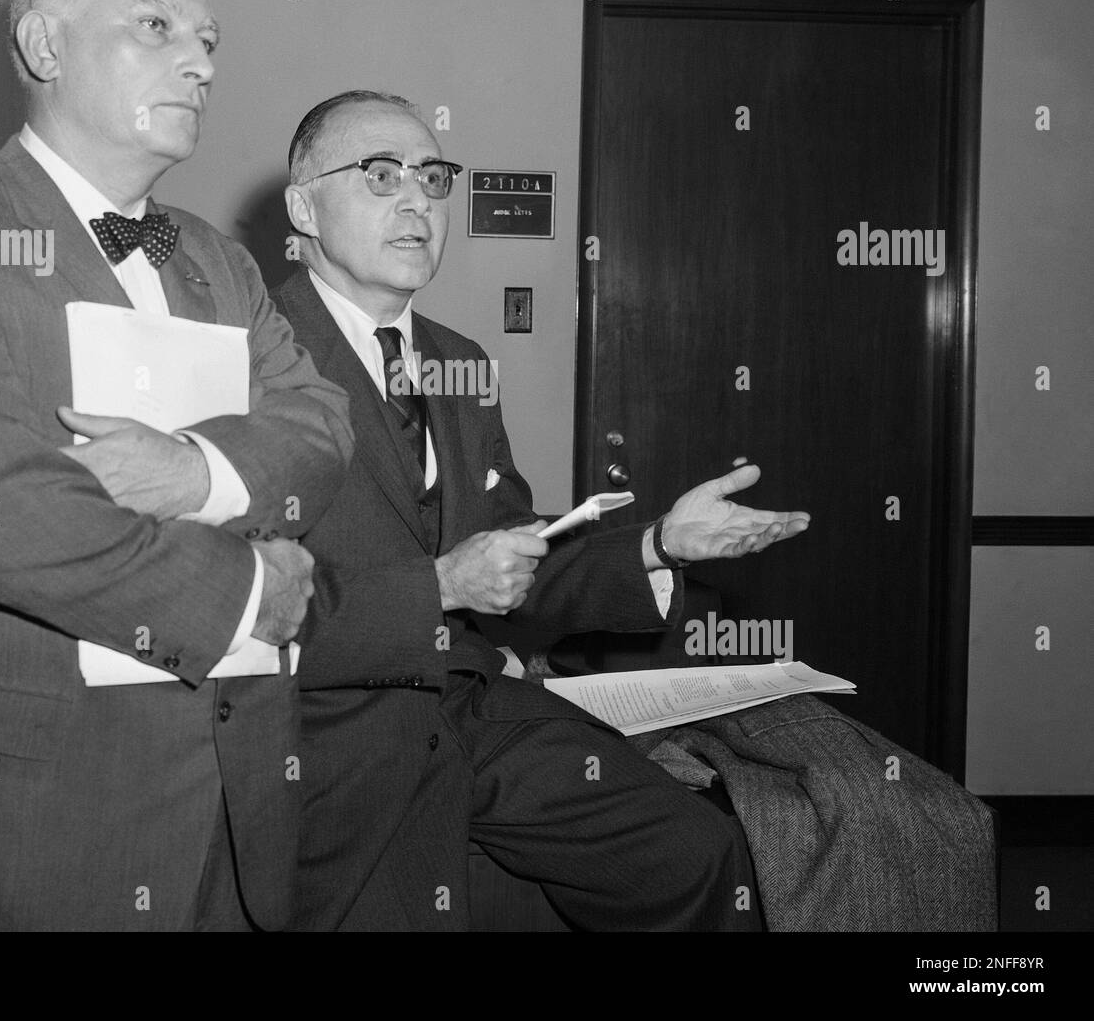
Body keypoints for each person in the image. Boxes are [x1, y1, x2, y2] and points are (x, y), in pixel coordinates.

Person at [0, 0, 353, 931]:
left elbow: (319, 424)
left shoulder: (222, 262)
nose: (200, 60)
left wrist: (195, 470)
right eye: (155, 25)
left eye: (207, 38)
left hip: (236, 806)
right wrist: (253, 589)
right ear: (42, 47)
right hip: (25, 816)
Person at [271, 90, 811, 930]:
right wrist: (440, 585)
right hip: (327, 725)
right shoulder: (246, 351)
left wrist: (660, 544)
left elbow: (511, 559)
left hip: (472, 705)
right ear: (304, 206)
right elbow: (236, 596)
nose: (417, 201)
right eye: (381, 175)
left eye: (432, 178)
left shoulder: (460, 361)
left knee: (697, 855)